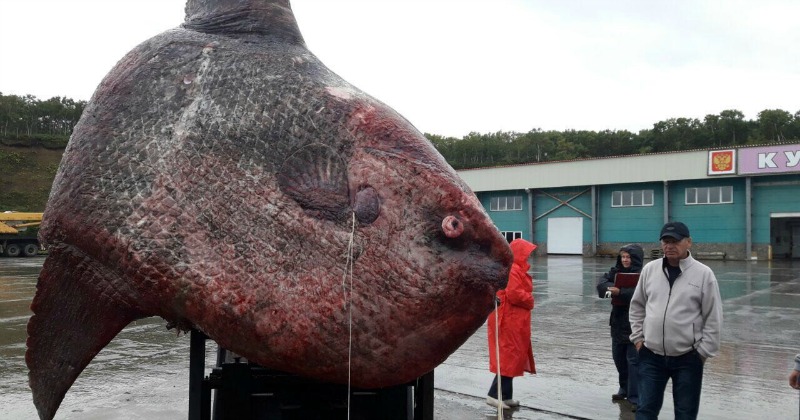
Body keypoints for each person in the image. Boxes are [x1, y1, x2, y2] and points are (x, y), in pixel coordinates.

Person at [629, 221, 723, 420]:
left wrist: (703, 353)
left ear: (688, 242)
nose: (669, 246)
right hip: (651, 356)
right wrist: (638, 340)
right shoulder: (650, 270)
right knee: (645, 411)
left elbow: (713, 317)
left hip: (687, 358)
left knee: (685, 413)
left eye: (675, 241)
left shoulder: (703, 274)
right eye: (665, 241)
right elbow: (637, 306)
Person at [486, 238, 537, 410]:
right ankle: (494, 395)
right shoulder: (513, 270)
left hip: (514, 320)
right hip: (508, 320)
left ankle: (506, 396)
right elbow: (515, 294)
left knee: (512, 357)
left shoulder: (516, 269)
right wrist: (530, 300)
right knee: (507, 357)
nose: (529, 257)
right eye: (527, 254)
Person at [596, 244, 644, 409]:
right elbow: (602, 287)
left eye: (628, 257)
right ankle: (624, 388)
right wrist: (610, 290)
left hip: (635, 325)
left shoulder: (644, 275)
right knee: (619, 360)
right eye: (623, 256)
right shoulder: (614, 272)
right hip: (617, 324)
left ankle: (635, 396)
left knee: (633, 362)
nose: (625, 260)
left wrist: (621, 292)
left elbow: (643, 294)